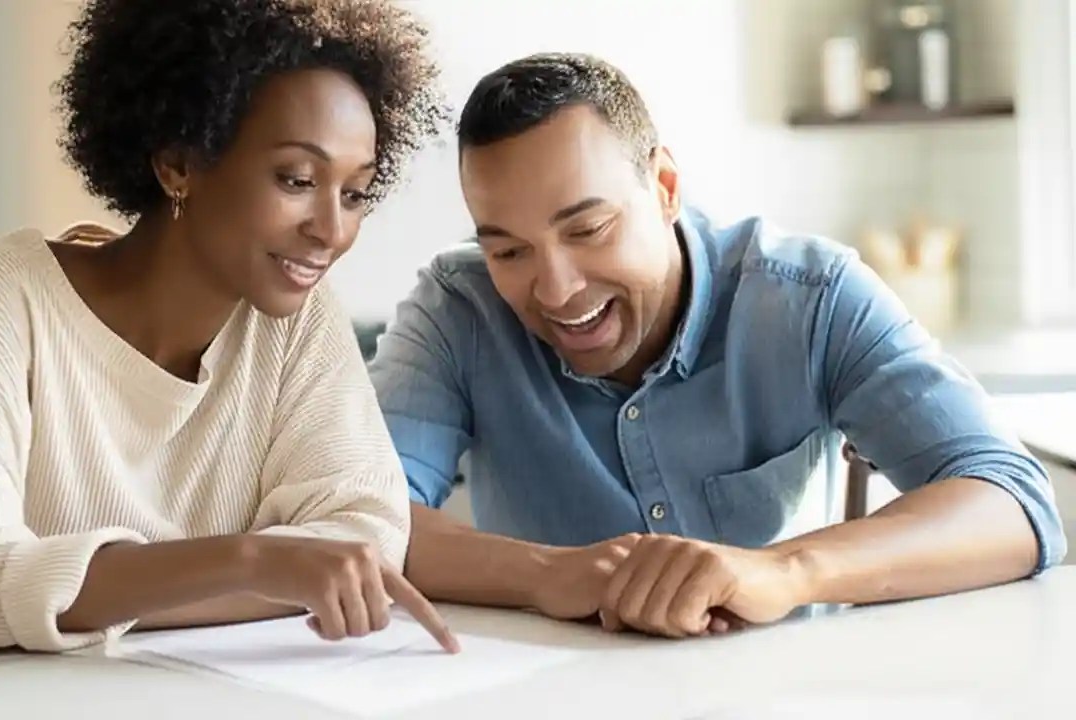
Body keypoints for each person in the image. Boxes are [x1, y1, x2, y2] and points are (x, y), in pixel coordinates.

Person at [0, 1, 456, 717]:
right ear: (178, 162)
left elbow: (366, 538)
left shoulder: (297, 320)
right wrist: (252, 560)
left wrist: (66, 600)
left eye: (354, 193)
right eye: (296, 179)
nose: (332, 229)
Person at [369, 52, 1067, 639]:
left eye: (588, 231)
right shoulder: (458, 311)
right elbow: (355, 517)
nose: (555, 290)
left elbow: (1014, 504)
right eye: (511, 250)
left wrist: (782, 571)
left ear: (665, 188)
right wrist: (552, 575)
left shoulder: (809, 297)